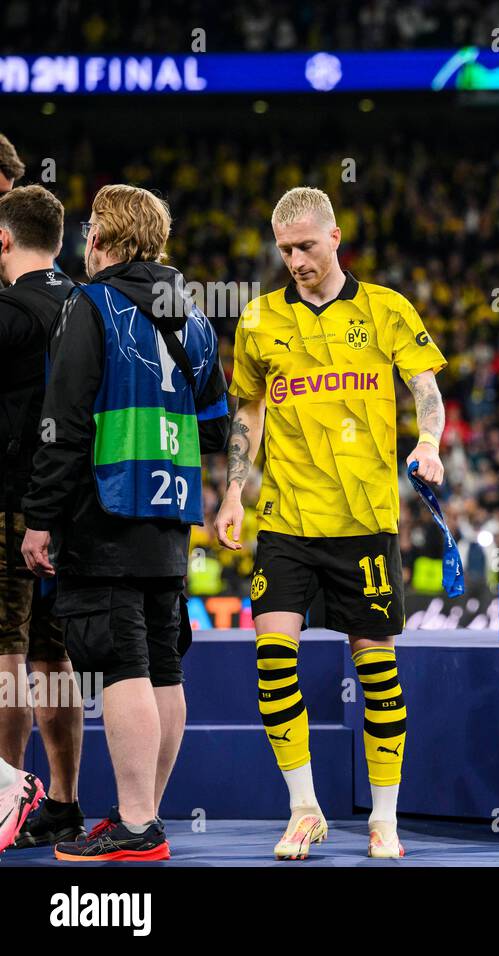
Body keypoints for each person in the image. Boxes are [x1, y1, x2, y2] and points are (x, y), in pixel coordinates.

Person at [214, 186, 448, 860]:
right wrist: (234, 491)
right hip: (286, 520)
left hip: (364, 522)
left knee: (376, 671)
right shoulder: (258, 321)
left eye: (306, 246)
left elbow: (426, 392)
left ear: (335, 237)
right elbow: (249, 414)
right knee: (272, 660)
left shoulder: (385, 310)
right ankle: (305, 809)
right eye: (285, 249)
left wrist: (428, 445)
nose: (295, 260)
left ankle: (383, 818)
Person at [21, 184, 229, 861]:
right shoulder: (192, 313)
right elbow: (216, 424)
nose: (84, 247)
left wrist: (40, 517)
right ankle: (146, 816)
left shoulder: (92, 304)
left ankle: (136, 825)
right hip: (172, 512)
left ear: (105, 241)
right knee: (163, 667)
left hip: (104, 508)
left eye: (89, 235)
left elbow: (65, 422)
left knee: (120, 666)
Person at [0, 185, 84, 850]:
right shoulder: (86, 304)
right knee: (55, 655)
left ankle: (7, 792)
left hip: (11, 500)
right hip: (74, 508)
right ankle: (62, 802)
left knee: (6, 649)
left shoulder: (9, 310)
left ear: (4, 240)